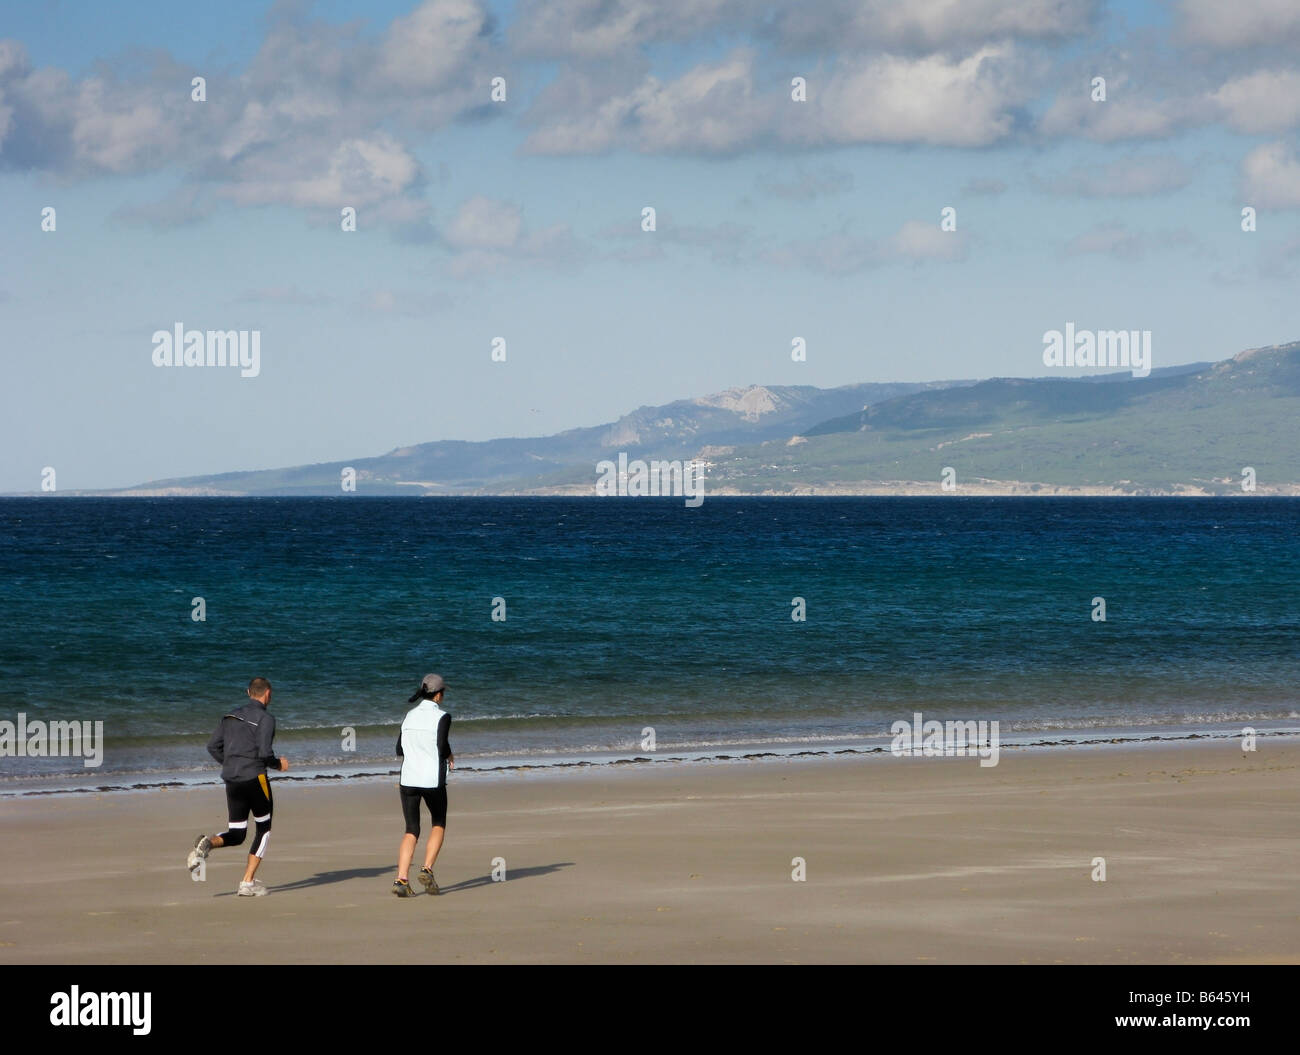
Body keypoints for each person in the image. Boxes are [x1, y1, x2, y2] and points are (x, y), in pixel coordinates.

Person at [186, 677, 289, 896]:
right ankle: (247, 883)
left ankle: (207, 844)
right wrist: (278, 764)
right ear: (268, 694)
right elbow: (264, 754)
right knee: (264, 830)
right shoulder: (266, 718)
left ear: (248, 692)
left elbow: (212, 746)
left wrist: (232, 764)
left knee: (238, 833)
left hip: (232, 779)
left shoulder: (229, 716)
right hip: (255, 779)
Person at [393, 673, 454, 897]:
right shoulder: (443, 716)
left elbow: (399, 749)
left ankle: (401, 879)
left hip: (408, 779)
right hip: (431, 780)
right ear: (438, 695)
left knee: (411, 830)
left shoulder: (409, 715)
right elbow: (441, 746)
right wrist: (450, 755)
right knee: (438, 823)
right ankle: (427, 869)